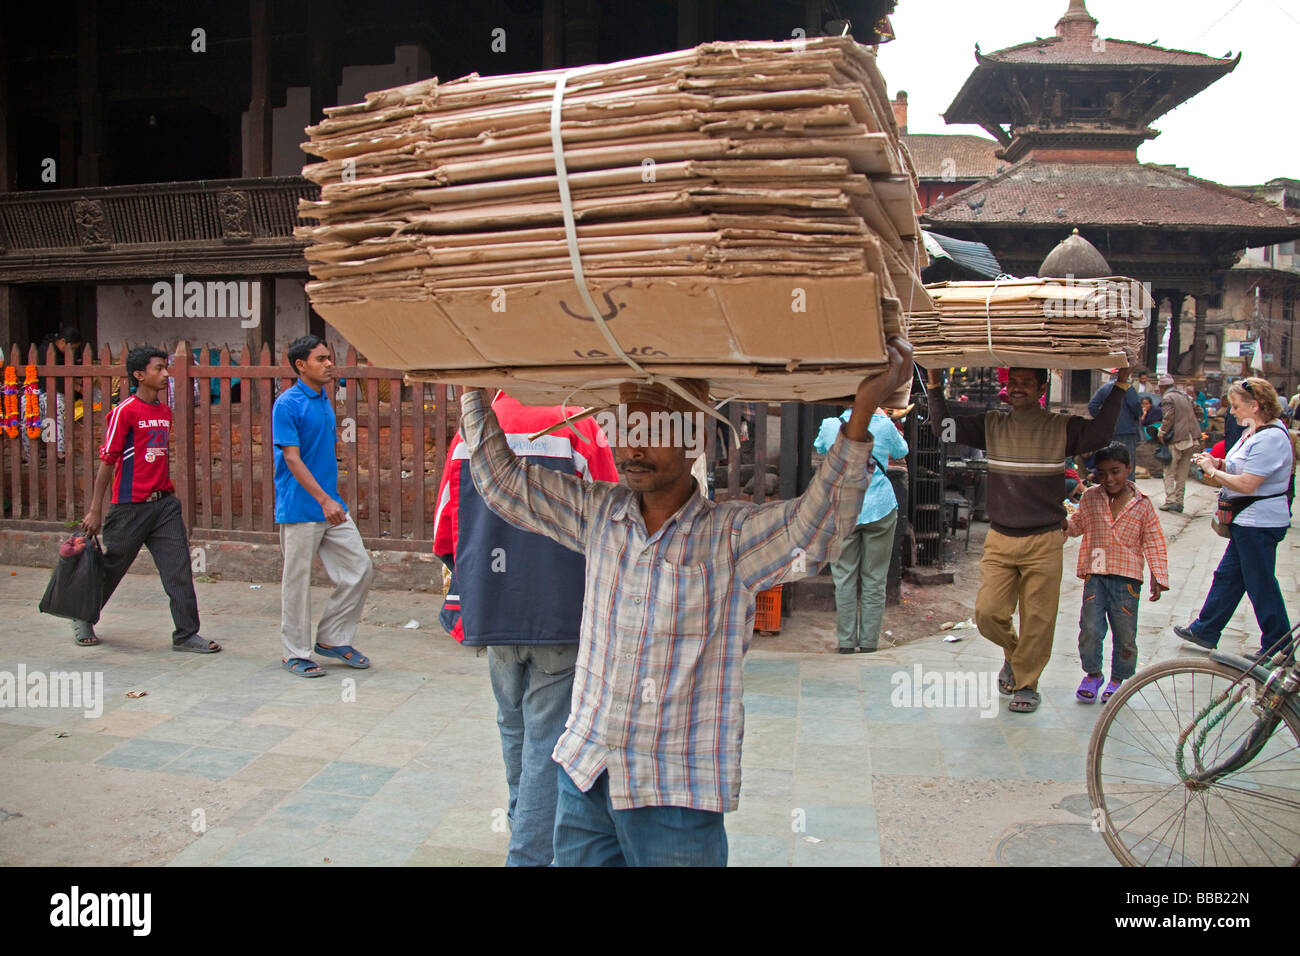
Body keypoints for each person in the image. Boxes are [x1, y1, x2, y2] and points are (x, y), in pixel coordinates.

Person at [458, 339, 914, 866]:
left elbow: (820, 526)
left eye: (653, 434)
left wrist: (861, 412)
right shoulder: (599, 516)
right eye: (626, 431)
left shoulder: (731, 537)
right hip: (586, 772)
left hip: (676, 788)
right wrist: (470, 382)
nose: (633, 450)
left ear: (694, 440)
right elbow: (502, 482)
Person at [433, 391, 618, 866]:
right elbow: (614, 514)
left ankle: (524, 827)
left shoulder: (473, 425)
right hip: (559, 608)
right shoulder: (576, 423)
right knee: (545, 737)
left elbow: (445, 526)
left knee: (512, 723)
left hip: (493, 611)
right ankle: (528, 854)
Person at [927, 365, 1128, 713]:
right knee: (988, 613)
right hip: (1001, 538)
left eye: (1025, 383)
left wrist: (1120, 384)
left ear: (1041, 388)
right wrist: (932, 384)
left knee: (1038, 619)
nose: (1017, 388)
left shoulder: (1060, 426)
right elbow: (944, 430)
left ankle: (1026, 684)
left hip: (1045, 539)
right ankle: (1016, 656)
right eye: (1013, 382)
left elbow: (1099, 434)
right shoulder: (992, 424)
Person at [75, 347, 217, 652]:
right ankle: (82, 615)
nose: (166, 374)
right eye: (158, 369)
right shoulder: (124, 411)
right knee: (112, 566)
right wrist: (94, 510)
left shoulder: (164, 412)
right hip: (128, 507)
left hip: (164, 505)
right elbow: (108, 461)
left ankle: (186, 634)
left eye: (166, 368)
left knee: (178, 569)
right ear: (139, 375)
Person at [273, 335, 373, 677]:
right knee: (297, 582)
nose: (329, 363)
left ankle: (331, 638)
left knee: (359, 567)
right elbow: (291, 458)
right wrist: (323, 498)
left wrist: (330, 499)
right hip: (301, 507)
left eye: (329, 358)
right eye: (321, 359)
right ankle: (295, 653)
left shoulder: (322, 399)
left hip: (330, 506)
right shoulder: (287, 404)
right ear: (301, 365)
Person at [1176, 377, 1294, 662]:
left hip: (1260, 521)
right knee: (1228, 576)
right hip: (1248, 520)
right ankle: (1206, 628)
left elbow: (1247, 483)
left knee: (1260, 582)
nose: (1232, 411)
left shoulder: (1272, 438)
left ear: (1255, 406)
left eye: (1237, 406)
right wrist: (1219, 463)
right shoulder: (1254, 432)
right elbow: (1241, 466)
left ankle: (1279, 645)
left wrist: (1212, 471)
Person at [1065, 443, 1169, 704]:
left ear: (1128, 469)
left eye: (1115, 472)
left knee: (1125, 634)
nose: (1109, 479)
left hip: (1128, 580)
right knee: (1089, 629)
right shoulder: (1090, 498)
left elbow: (1153, 539)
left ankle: (1117, 680)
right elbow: (1077, 526)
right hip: (1095, 576)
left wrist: (1159, 574)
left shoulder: (1142, 505)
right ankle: (1093, 674)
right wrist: (1059, 521)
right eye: (1102, 473)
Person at [814, 405, 909, 653]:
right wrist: (883, 419)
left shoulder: (829, 425)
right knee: (875, 579)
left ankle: (846, 643)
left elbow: (820, 447)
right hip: (880, 508)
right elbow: (902, 450)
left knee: (843, 578)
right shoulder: (884, 425)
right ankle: (868, 643)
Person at [1157, 373, 1198, 513]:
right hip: (1191, 438)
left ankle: (1170, 500)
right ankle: (1179, 502)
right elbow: (1198, 409)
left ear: (1162, 386)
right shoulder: (1185, 396)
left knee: (1169, 471)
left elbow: (1168, 418)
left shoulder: (1168, 398)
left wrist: (1161, 432)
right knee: (1182, 473)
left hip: (1177, 439)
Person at [1089, 370, 1142, 468]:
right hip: (1127, 430)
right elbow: (1135, 405)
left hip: (1108, 430)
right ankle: (1127, 482)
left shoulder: (1104, 388)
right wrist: (1137, 416)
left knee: (1110, 458)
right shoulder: (1128, 387)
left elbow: (1092, 406)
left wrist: (1103, 420)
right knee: (1126, 459)